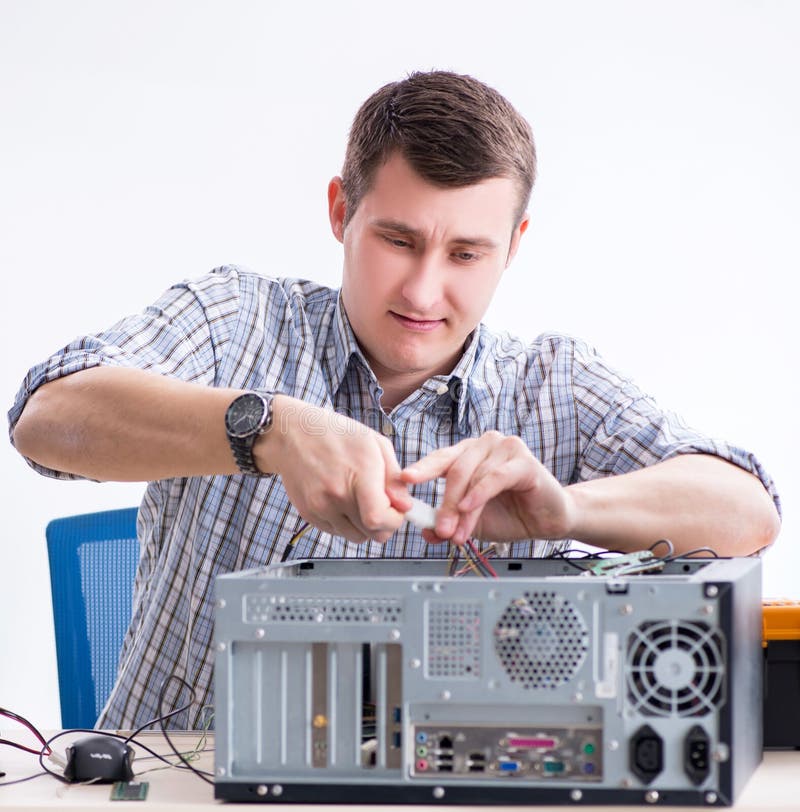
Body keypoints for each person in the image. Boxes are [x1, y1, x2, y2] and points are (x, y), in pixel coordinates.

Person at [9, 71, 780, 729]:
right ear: (342, 211)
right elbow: (45, 418)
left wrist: (567, 512)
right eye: (399, 240)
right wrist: (266, 429)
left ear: (514, 246)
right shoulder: (238, 319)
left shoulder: (554, 384)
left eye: (466, 253)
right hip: (180, 787)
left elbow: (747, 509)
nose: (422, 290)